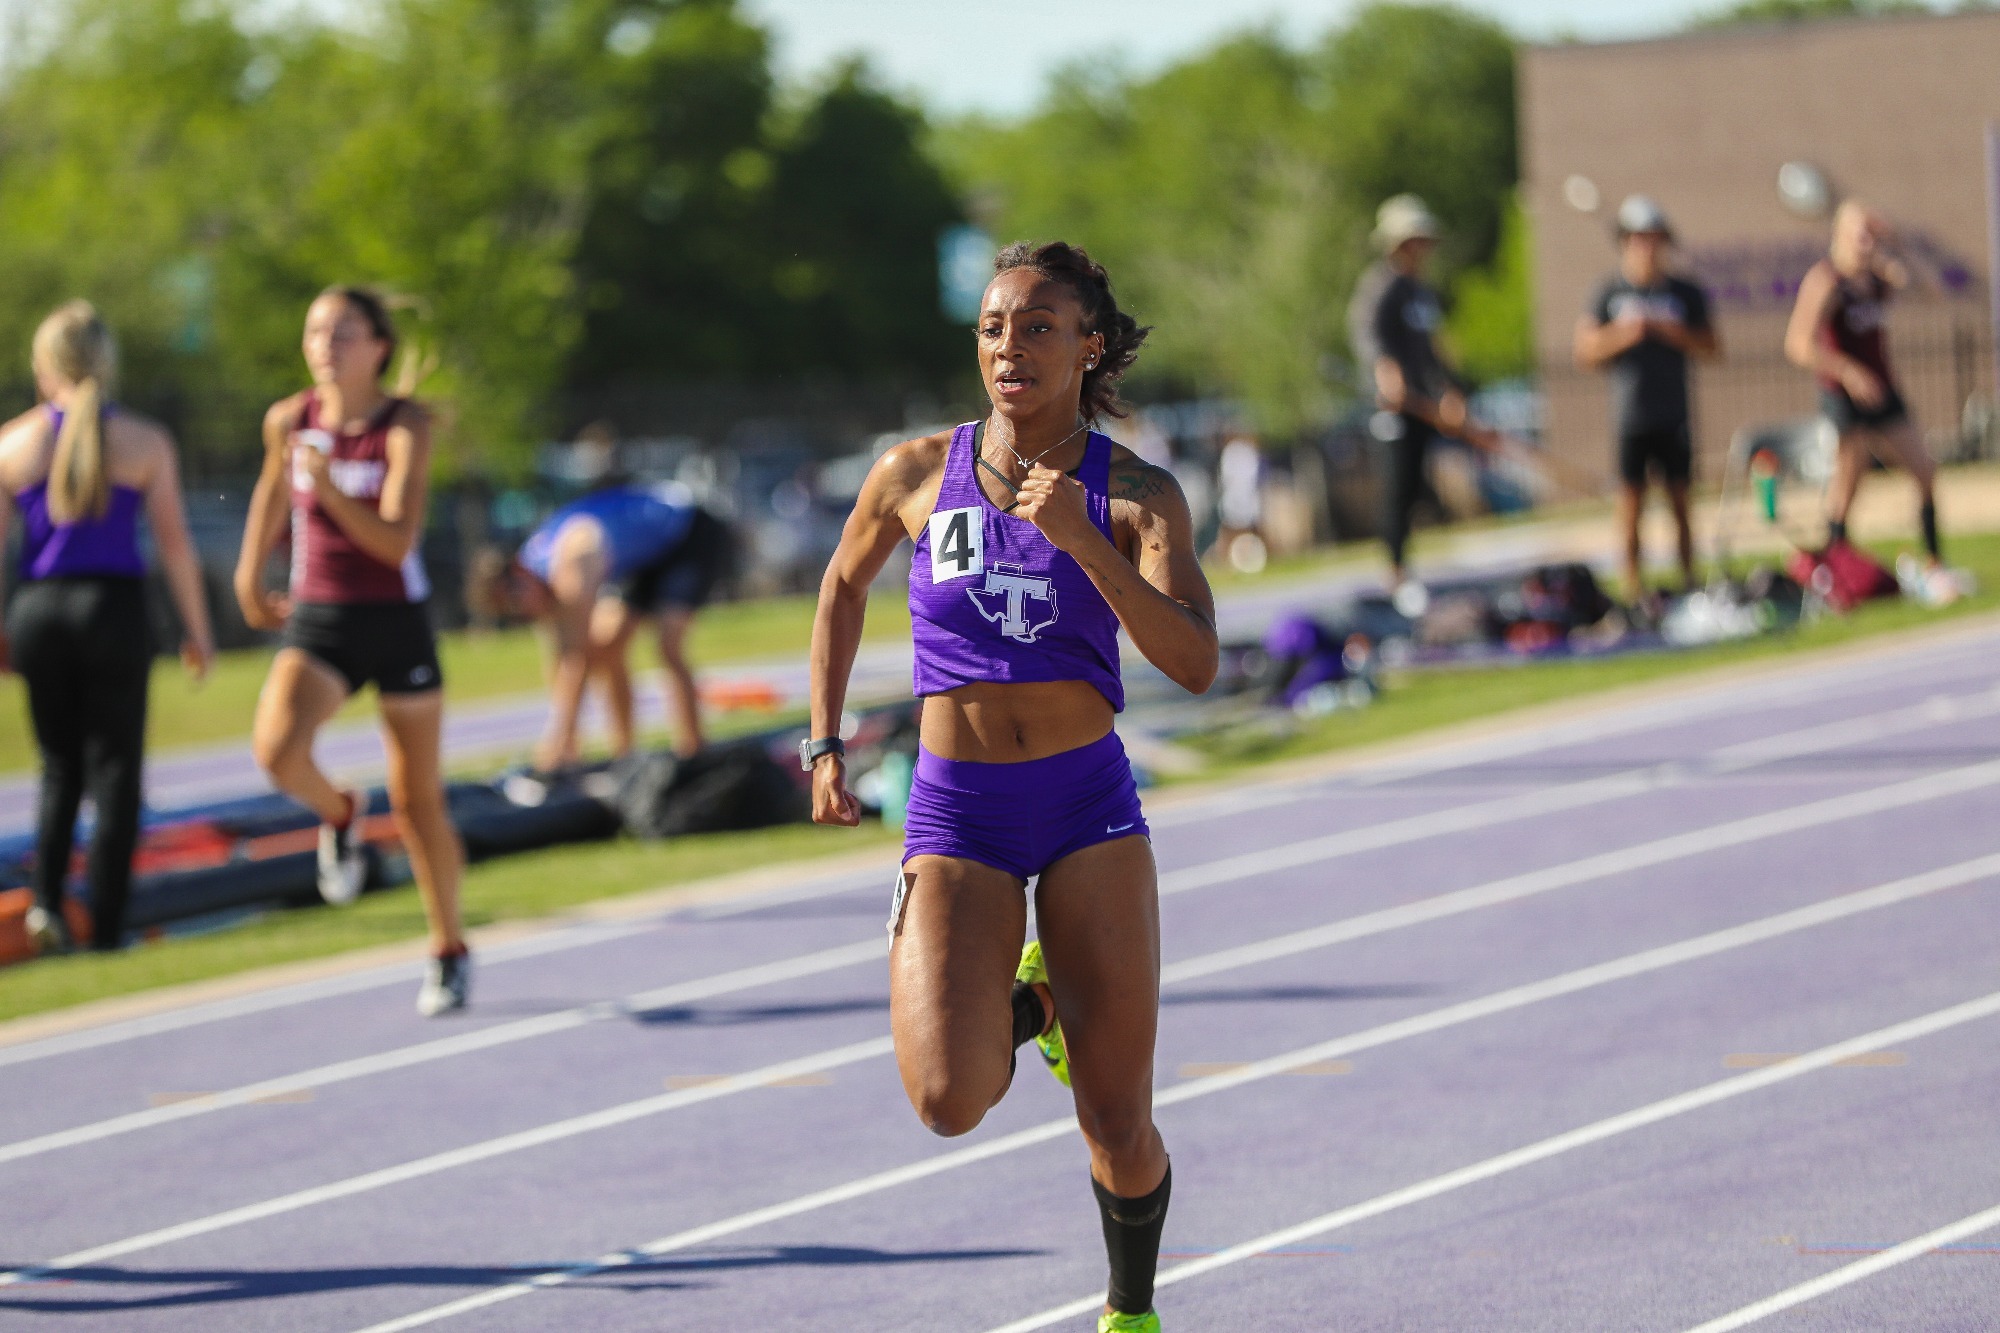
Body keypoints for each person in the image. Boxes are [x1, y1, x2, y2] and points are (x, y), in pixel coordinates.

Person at [807, 241, 1216, 1333]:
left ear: (1088, 344)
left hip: (1087, 806)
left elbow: (1193, 659)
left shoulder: (1134, 492)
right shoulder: (909, 473)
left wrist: (1083, 540)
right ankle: (1037, 1003)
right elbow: (841, 586)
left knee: (1117, 1119)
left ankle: (1129, 1312)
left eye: (1037, 326)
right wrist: (822, 741)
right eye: (992, 326)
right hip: (956, 810)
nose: (1008, 347)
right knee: (946, 1098)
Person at [233, 286, 470, 1016]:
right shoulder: (290, 420)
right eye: (315, 332)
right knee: (275, 751)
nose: (325, 346)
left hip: (396, 621)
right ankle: (339, 813)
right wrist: (249, 575)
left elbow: (396, 541)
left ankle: (448, 947)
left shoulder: (404, 428)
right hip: (320, 619)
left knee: (417, 801)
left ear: (378, 347)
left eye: (343, 333)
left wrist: (333, 491)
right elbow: (273, 496)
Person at [0, 301, 214, 954]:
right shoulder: (145, 441)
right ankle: (110, 922)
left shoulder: (14, 443)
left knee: (60, 766)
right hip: (113, 609)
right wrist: (196, 630)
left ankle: (48, 904)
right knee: (118, 769)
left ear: (44, 367)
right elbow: (175, 545)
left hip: (39, 610)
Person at [1785, 200, 1963, 603]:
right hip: (1844, 395)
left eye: (1870, 234)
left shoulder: (1881, 276)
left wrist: (1899, 244)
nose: (1865, 243)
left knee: (1924, 468)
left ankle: (1935, 561)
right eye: (1858, 235)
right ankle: (1835, 569)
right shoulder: (1828, 281)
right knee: (1849, 479)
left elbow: (1935, 291)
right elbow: (1797, 344)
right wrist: (1847, 370)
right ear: (1840, 237)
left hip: (1883, 388)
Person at [504, 481, 731, 770]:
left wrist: (561, 738)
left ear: (518, 573)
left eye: (515, 601)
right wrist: (562, 733)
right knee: (608, 646)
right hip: (647, 555)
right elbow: (559, 656)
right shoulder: (536, 566)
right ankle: (626, 753)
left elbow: (577, 657)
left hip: (686, 532)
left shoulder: (572, 559)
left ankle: (695, 749)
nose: (520, 611)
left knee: (668, 646)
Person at [1347, 194, 1506, 601]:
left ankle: (1405, 565)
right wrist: (1385, 369)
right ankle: (1395, 572)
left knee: (1418, 486)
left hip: (1424, 407)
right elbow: (1367, 333)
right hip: (1394, 408)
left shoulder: (1422, 293)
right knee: (1397, 488)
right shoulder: (1380, 286)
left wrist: (1451, 393)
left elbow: (1434, 351)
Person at [1574, 195, 1720, 606]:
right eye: (1639, 239)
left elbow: (1711, 345)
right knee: (1630, 505)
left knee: (1681, 500)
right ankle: (1634, 587)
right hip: (1631, 416)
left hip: (1673, 412)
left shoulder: (1684, 291)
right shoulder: (1608, 291)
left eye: (1655, 239)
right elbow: (1585, 350)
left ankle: (1690, 578)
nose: (1648, 248)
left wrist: (1670, 332)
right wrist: (1625, 333)